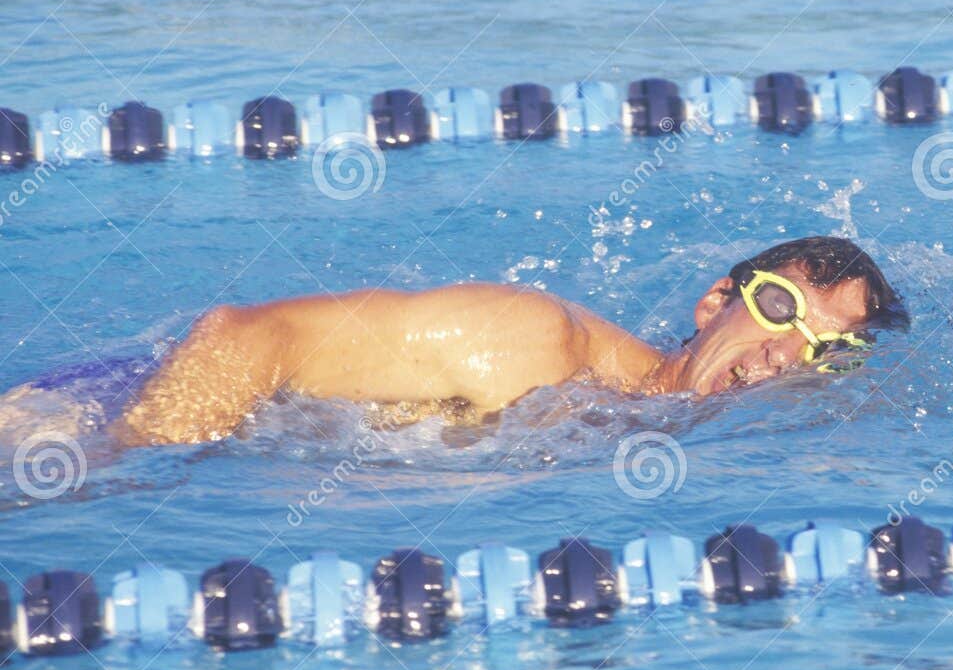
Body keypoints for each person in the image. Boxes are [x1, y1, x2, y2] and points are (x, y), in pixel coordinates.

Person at [114, 236, 908, 446]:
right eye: (779, 309)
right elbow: (242, 338)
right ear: (714, 304)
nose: (785, 355)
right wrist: (135, 464)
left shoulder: (650, 423)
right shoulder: (534, 342)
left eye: (825, 350)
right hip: (87, 421)